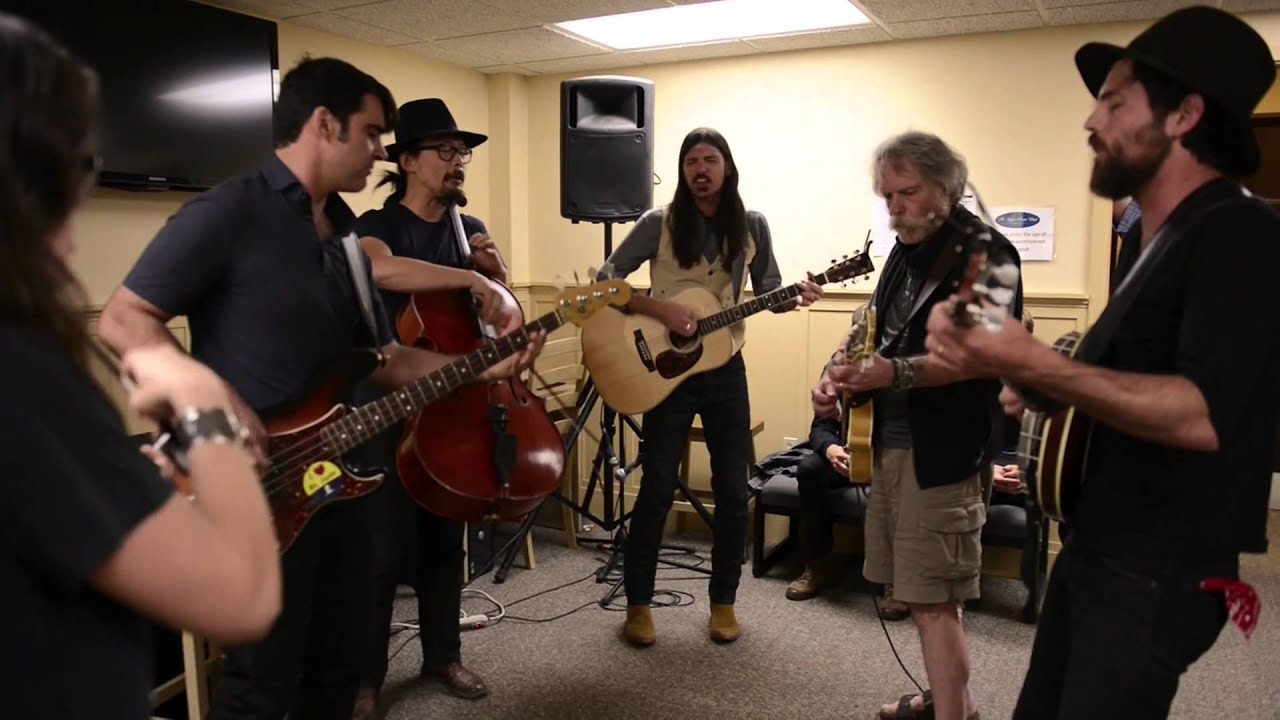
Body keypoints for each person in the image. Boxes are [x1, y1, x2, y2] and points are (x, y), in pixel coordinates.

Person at [97, 58, 542, 720]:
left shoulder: (346, 236)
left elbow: (384, 360)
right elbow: (122, 321)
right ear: (325, 124)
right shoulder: (229, 211)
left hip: (347, 483)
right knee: (263, 684)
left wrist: (485, 366)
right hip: (260, 486)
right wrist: (204, 397)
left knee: (337, 668)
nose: (382, 151)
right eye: (371, 134)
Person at [924, 7, 1280, 718]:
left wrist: (1039, 365)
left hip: (1154, 576)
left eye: (1114, 101)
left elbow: (1205, 415)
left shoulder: (1239, 231)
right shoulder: (1156, 242)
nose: (1091, 121)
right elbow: (1125, 385)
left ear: (1183, 116)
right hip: (1098, 553)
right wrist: (1029, 376)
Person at [0, 13, 280, 719]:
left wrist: (113, 490)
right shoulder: (21, 373)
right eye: (83, 165)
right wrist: (202, 396)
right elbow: (241, 595)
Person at [814, 131, 1023, 720]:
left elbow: (978, 357)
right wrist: (836, 370)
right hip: (890, 444)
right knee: (924, 594)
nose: (895, 208)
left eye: (907, 193)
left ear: (947, 189)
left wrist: (891, 373)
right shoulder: (905, 250)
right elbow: (874, 328)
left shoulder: (992, 257)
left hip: (946, 455)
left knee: (934, 601)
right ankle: (950, 701)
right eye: (887, 196)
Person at [600, 127, 822, 646]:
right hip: (665, 372)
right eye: (691, 161)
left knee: (730, 490)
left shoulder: (751, 225)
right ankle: (638, 604)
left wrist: (797, 296)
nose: (701, 169)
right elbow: (607, 282)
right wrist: (661, 310)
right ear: (683, 171)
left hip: (726, 370)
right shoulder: (659, 222)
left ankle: (723, 602)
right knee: (654, 490)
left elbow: (770, 291)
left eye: (710, 160)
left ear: (727, 167)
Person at [348, 98, 517, 718]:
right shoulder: (375, 224)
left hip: (454, 404)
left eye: (462, 152)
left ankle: (442, 654)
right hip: (389, 408)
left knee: (447, 538)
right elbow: (383, 272)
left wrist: (498, 279)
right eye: (443, 152)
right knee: (379, 550)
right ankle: (364, 679)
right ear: (406, 161)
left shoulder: (468, 233)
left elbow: (496, 318)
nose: (457, 162)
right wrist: (468, 280)